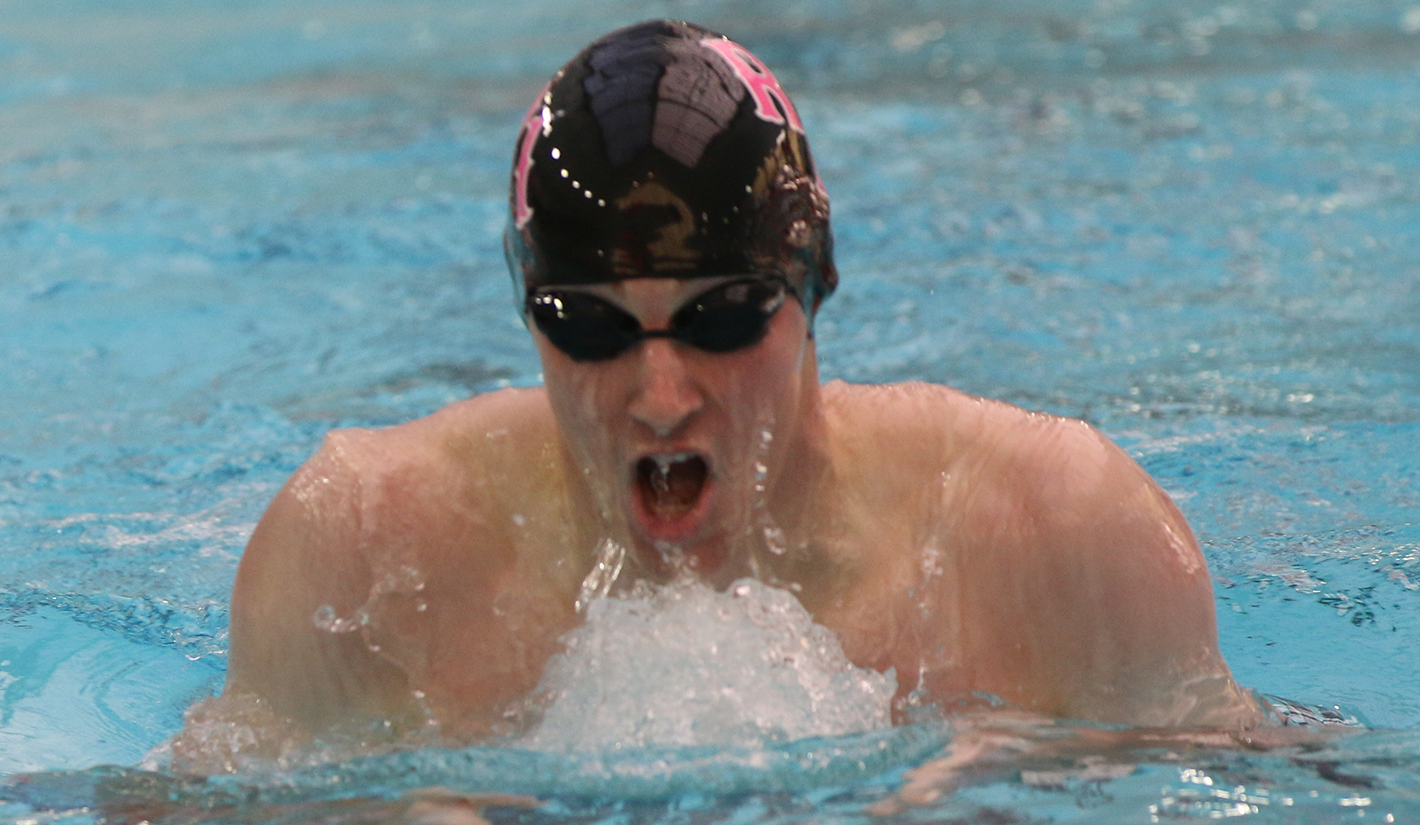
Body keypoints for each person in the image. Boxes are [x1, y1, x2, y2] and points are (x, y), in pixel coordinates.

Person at [167, 19, 1272, 774]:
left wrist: (1030, 775)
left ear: (813, 286)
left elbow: (1251, 813)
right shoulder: (361, 553)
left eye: (723, 316)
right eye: (591, 325)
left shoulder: (1056, 534)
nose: (660, 395)